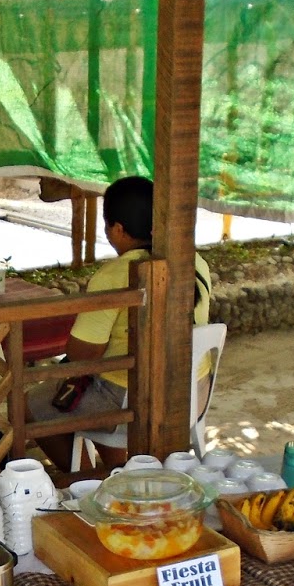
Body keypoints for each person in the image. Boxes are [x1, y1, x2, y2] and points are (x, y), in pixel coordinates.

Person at [25, 175, 213, 469]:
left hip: (133, 401)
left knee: (26, 406)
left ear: (118, 229)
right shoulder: (195, 262)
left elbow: (81, 356)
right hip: (191, 394)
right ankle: (116, 471)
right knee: (104, 381)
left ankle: (88, 480)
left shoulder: (114, 275)